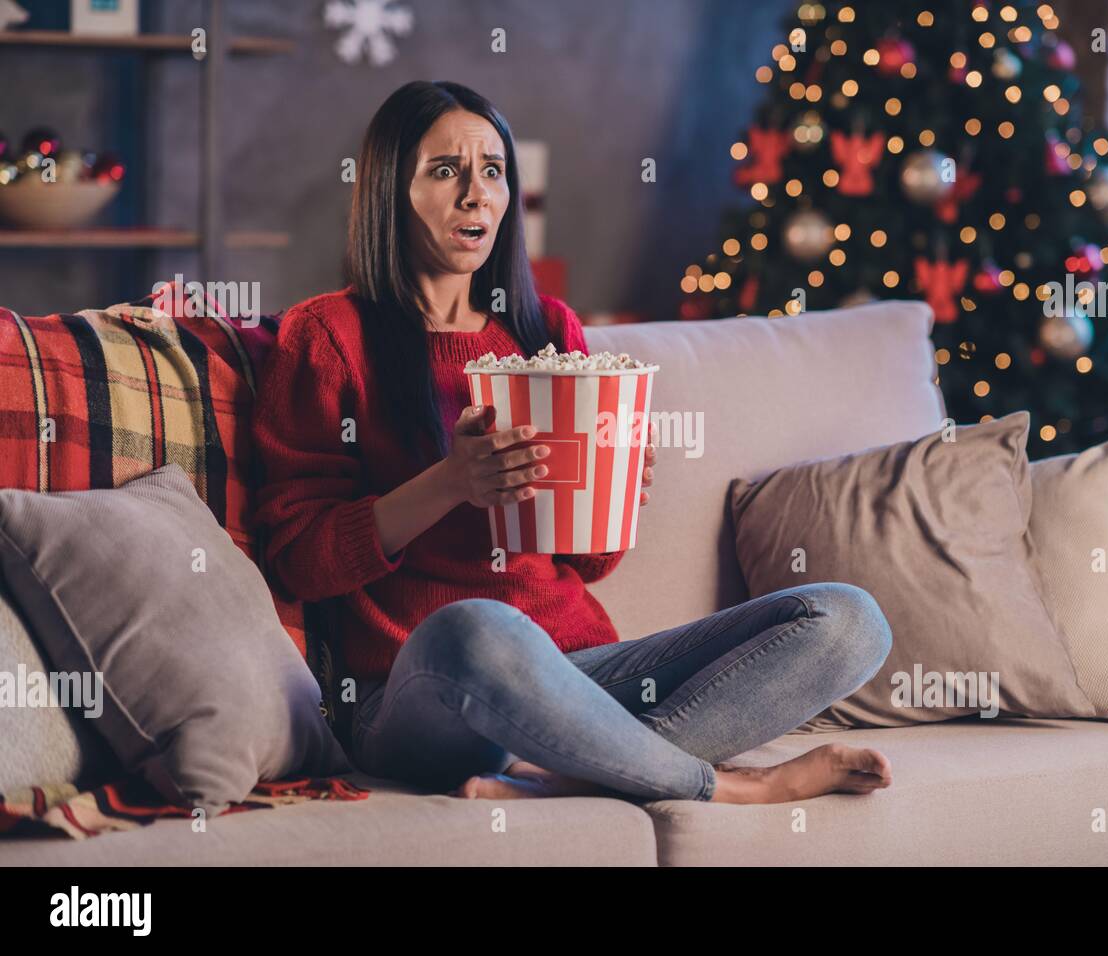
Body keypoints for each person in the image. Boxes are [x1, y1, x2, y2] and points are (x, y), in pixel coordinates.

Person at [251, 80, 894, 804]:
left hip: (581, 674)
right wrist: (451, 482)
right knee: (476, 629)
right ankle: (728, 789)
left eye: (493, 171)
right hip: (423, 688)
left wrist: (609, 490)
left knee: (847, 620)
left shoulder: (547, 330)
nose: (476, 195)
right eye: (444, 171)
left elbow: (589, 562)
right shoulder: (328, 335)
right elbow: (298, 559)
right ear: (386, 193)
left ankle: (565, 777)